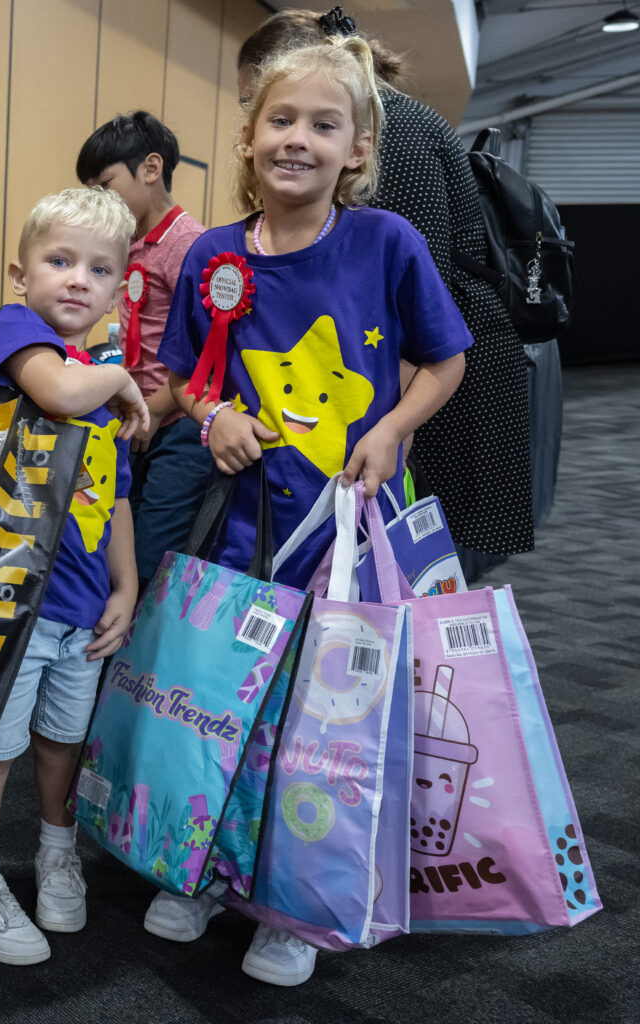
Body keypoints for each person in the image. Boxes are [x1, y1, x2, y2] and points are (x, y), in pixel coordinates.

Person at [156, 37, 470, 985]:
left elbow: (447, 358)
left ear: (358, 147)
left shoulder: (387, 244)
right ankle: (208, 864)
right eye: (280, 120)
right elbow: (181, 374)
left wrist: (393, 430)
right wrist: (212, 416)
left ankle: (295, 899)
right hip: (248, 530)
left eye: (323, 125)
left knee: (323, 720)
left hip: (350, 534)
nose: (299, 140)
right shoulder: (214, 255)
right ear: (248, 138)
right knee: (229, 702)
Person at [238, 7, 535, 578]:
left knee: (412, 558)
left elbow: (415, 294)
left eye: (253, 97)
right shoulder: (387, 117)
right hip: (416, 375)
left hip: (437, 371)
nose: (290, 136)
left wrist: (389, 428)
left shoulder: (392, 135)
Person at [0, 187, 148, 965]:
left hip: (78, 609)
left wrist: (124, 587)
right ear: (19, 272)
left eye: (98, 269)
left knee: (62, 745)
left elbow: (117, 498)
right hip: (9, 607)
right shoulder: (17, 335)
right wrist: (124, 378)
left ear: (119, 288)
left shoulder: (98, 374)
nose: (76, 280)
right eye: (58, 261)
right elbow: (60, 392)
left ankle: (57, 854)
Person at [77, 112, 212, 585]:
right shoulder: (130, 245)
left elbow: (204, 361)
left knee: (152, 554)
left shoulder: (191, 246)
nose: (98, 200)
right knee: (113, 544)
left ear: (151, 169)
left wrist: (149, 413)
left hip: (177, 425)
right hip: (141, 419)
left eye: (105, 185)